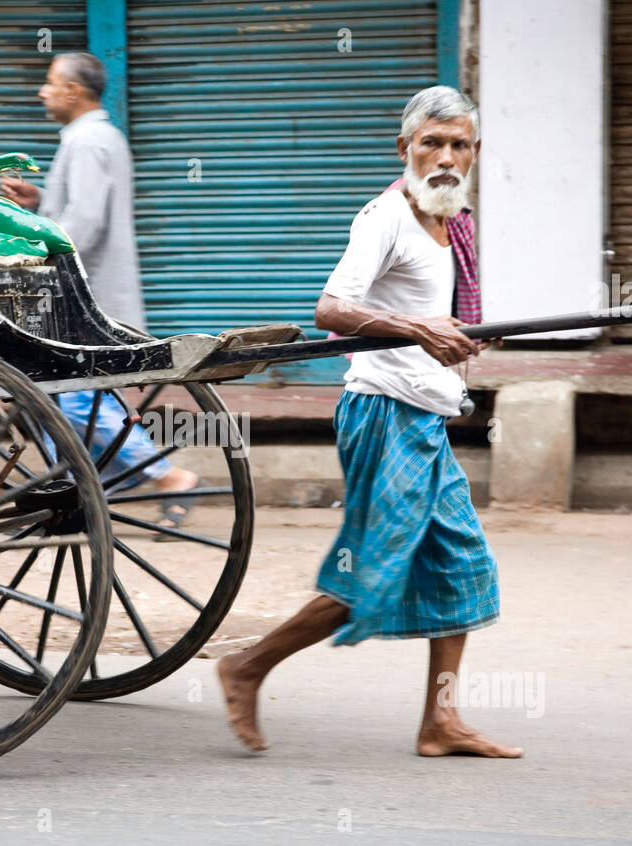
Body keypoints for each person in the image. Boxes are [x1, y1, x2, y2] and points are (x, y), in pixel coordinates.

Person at [217, 86, 522, 758]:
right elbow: (331, 310)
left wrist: (460, 335)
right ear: (405, 149)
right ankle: (247, 665)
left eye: (459, 145)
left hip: (424, 414)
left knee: (461, 567)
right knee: (376, 571)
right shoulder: (386, 216)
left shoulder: (452, 223)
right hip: (383, 413)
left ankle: (439, 721)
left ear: (473, 153)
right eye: (432, 144)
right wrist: (419, 329)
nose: (445, 157)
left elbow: (434, 319)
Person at [0, 52, 198, 528]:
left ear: (74, 90)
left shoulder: (89, 141)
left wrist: (26, 260)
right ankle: (84, 491)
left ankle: (165, 476)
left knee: (77, 395)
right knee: (75, 396)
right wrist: (43, 201)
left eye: (50, 82)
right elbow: (81, 210)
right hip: (89, 293)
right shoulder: (94, 138)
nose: (42, 92)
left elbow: (83, 225)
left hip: (85, 297)